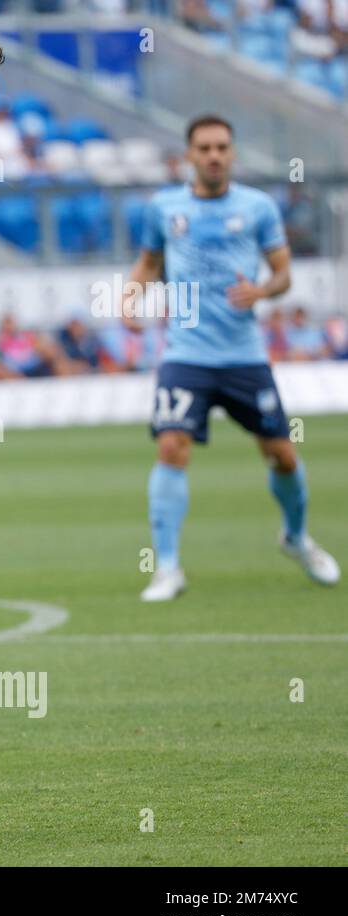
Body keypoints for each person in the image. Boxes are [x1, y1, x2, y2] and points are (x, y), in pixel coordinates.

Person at [122, 114, 339, 602]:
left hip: (244, 355)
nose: (214, 155)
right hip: (186, 354)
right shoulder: (164, 207)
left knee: (281, 454)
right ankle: (168, 567)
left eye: (222, 147)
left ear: (232, 153)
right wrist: (129, 296)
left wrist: (261, 289)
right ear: (190, 155)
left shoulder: (258, 207)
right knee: (172, 447)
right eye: (204, 148)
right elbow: (150, 262)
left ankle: (297, 537)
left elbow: (283, 274)